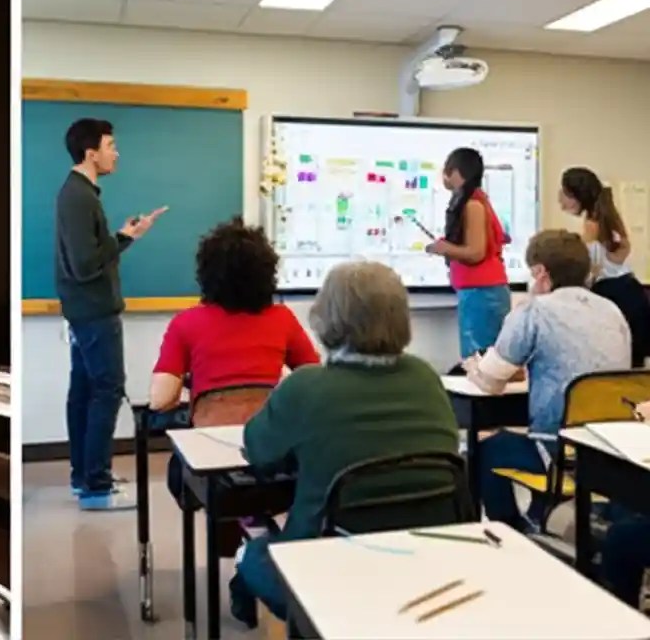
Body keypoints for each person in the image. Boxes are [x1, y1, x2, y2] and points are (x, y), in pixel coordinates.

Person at [230, 261, 459, 626]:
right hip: (428, 566)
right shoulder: (426, 377)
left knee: (253, 554)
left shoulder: (305, 387)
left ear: (326, 317)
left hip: (326, 571)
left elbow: (258, 452)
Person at [464, 230, 631, 530]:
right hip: (608, 451)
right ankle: (547, 514)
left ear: (541, 272)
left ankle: (512, 529)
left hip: (558, 448)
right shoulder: (612, 311)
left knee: (485, 447)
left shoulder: (535, 311)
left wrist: (472, 367)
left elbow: (491, 383)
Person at [149, 218, 319, 504]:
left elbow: (160, 400)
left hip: (210, 463)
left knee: (180, 474)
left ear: (206, 273)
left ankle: (236, 533)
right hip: (272, 457)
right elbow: (315, 380)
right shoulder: (283, 319)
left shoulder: (186, 324)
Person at [56, 117, 166, 511]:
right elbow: (86, 265)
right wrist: (126, 238)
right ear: (91, 153)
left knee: (85, 391)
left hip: (85, 311)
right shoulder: (79, 197)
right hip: (94, 312)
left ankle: (84, 477)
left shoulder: (79, 193)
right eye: (111, 145)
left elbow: (86, 257)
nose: (116, 153)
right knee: (105, 390)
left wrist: (121, 236)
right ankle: (97, 488)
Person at [425, 147, 512, 359]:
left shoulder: (473, 204)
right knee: (480, 360)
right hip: (479, 291)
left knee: (479, 361)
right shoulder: (473, 199)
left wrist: (445, 249)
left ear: (454, 172)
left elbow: (476, 252)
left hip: (482, 292)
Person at [559, 167, 650, 366]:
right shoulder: (608, 219)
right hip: (630, 293)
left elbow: (592, 269)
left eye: (564, 193)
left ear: (578, 196)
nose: (560, 199)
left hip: (614, 296)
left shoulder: (593, 225)